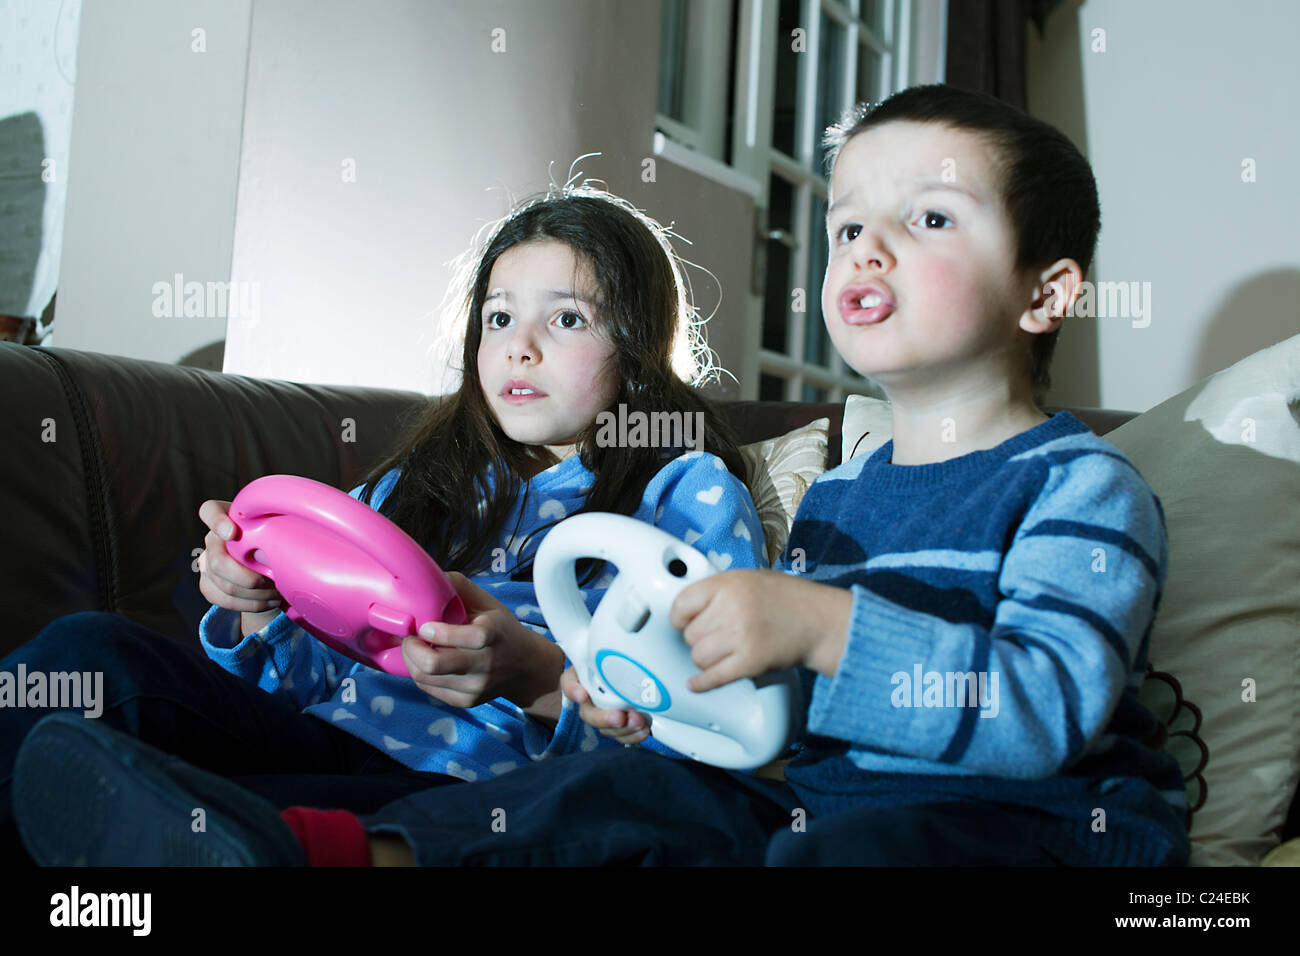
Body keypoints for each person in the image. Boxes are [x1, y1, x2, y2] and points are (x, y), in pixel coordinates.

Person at [16, 82, 1189, 867]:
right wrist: (637, 698)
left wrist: (806, 635)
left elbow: (1045, 702)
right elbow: (761, 728)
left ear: (1046, 291)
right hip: (805, 801)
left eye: (928, 218)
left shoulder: (1080, 486)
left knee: (698, 821)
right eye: (843, 225)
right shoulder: (843, 492)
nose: (865, 247)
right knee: (643, 799)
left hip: (1019, 822)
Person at [3, 186, 765, 866]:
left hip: (474, 792)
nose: (519, 345)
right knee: (89, 651)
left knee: (243, 814)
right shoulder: (421, 483)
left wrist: (532, 670)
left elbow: (698, 727)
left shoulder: (684, 490)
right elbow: (304, 678)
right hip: (321, 737)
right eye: (498, 317)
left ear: (638, 356)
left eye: (566, 319)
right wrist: (262, 606)